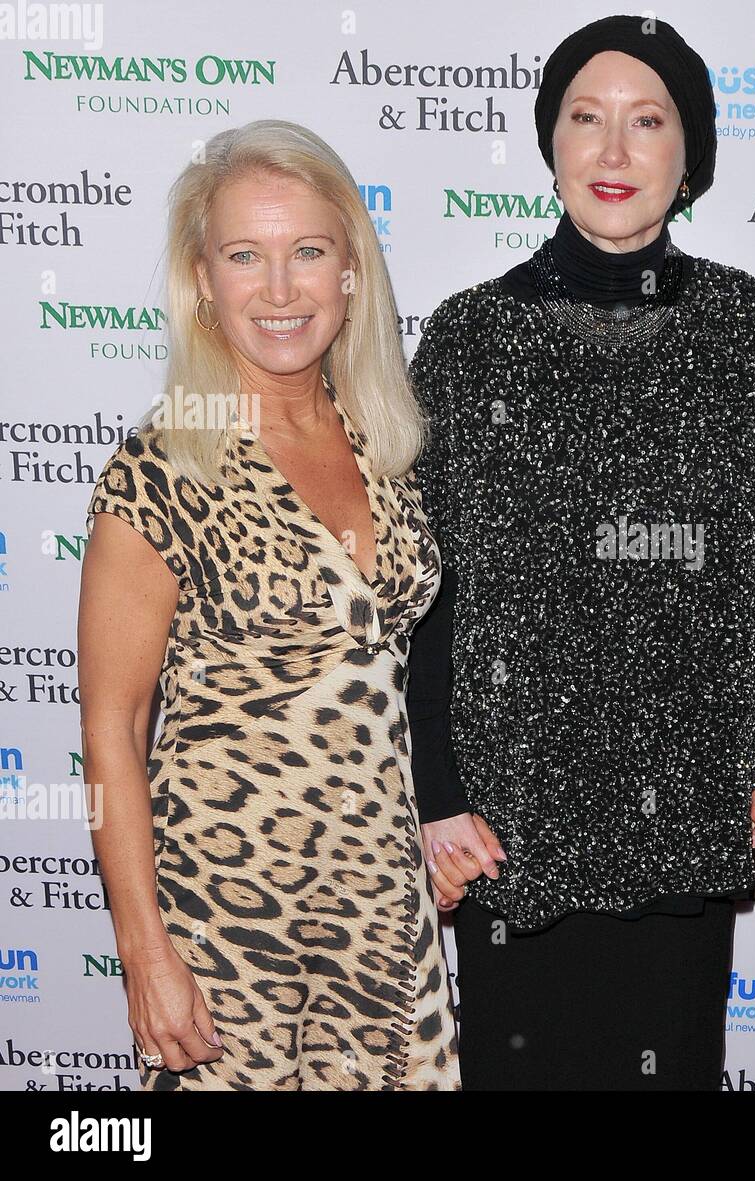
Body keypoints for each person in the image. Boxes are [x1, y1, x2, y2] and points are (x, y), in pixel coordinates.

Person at [407, 15, 755, 1090]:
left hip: (685, 794)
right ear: (550, 141)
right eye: (585, 119)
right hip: (510, 815)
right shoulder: (468, 334)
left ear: (690, 160)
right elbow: (428, 590)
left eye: (647, 123)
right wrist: (436, 788)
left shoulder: (735, 319)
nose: (612, 151)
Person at [78, 120, 459, 1091]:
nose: (280, 289)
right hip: (225, 924)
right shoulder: (163, 465)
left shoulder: (388, 440)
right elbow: (111, 726)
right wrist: (145, 953)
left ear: (350, 272)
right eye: (245, 255)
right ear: (202, 277)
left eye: (307, 252)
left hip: (380, 915)